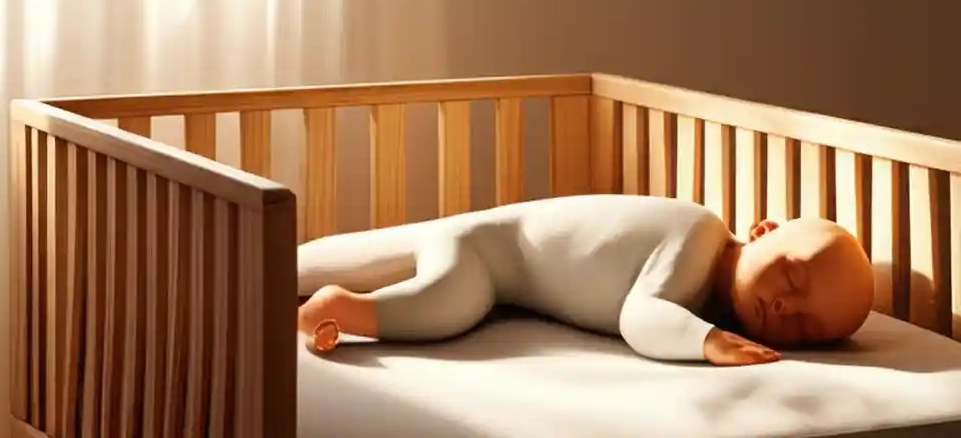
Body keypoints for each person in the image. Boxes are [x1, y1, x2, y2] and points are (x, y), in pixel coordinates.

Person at [296, 194, 874, 366]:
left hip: (502, 266)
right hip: (487, 256)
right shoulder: (699, 236)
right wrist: (705, 342)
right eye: (792, 279)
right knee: (449, 304)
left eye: (804, 326)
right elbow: (640, 316)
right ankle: (340, 309)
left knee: (454, 300)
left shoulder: (713, 293)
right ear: (762, 229)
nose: (782, 307)